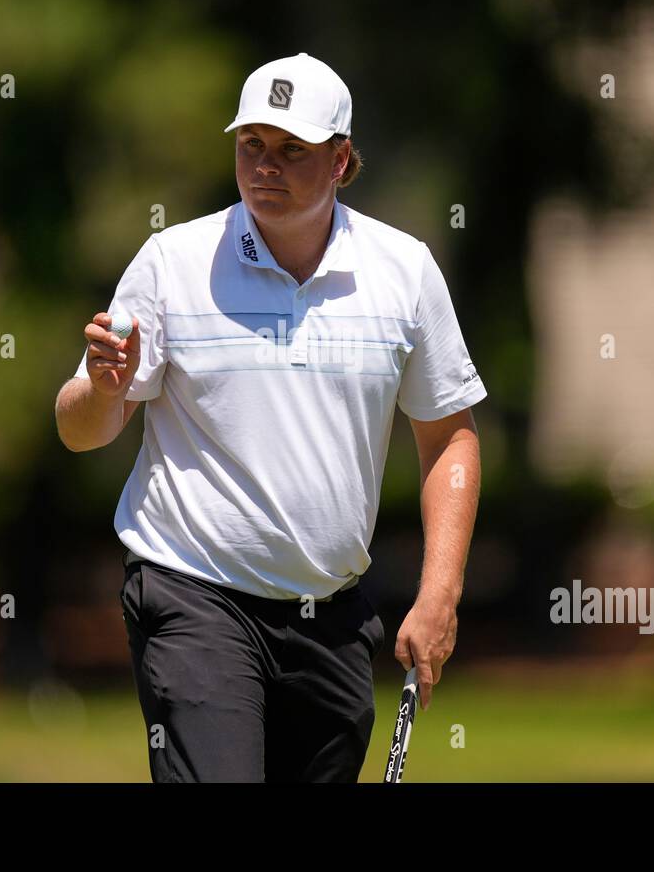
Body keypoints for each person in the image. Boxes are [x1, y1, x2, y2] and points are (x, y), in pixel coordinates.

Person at [54, 52, 486, 782]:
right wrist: (101, 390)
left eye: (292, 150)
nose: (265, 167)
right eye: (250, 145)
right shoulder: (173, 262)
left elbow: (450, 439)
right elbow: (80, 429)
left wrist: (440, 593)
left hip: (333, 613)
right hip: (194, 594)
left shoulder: (403, 270)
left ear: (343, 160)